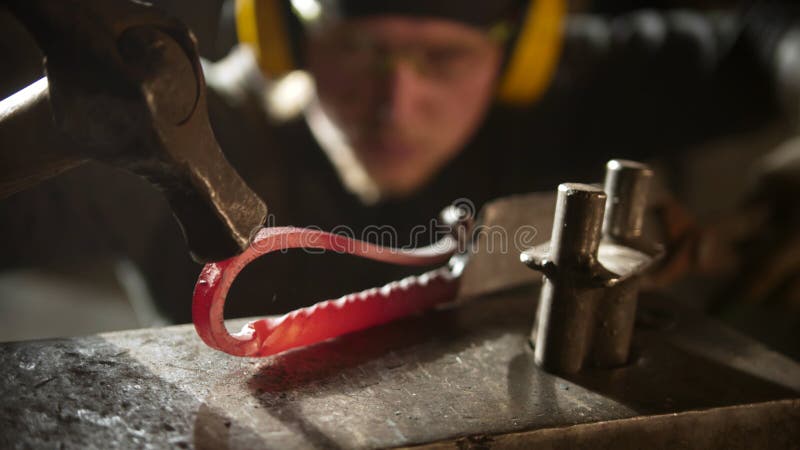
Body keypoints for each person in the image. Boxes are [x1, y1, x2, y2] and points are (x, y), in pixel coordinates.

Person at [1, 0, 798, 327]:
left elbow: (771, 40)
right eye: (360, 50)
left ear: (521, 57)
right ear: (284, 33)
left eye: (443, 62)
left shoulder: (577, 87)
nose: (395, 107)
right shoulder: (166, 126)